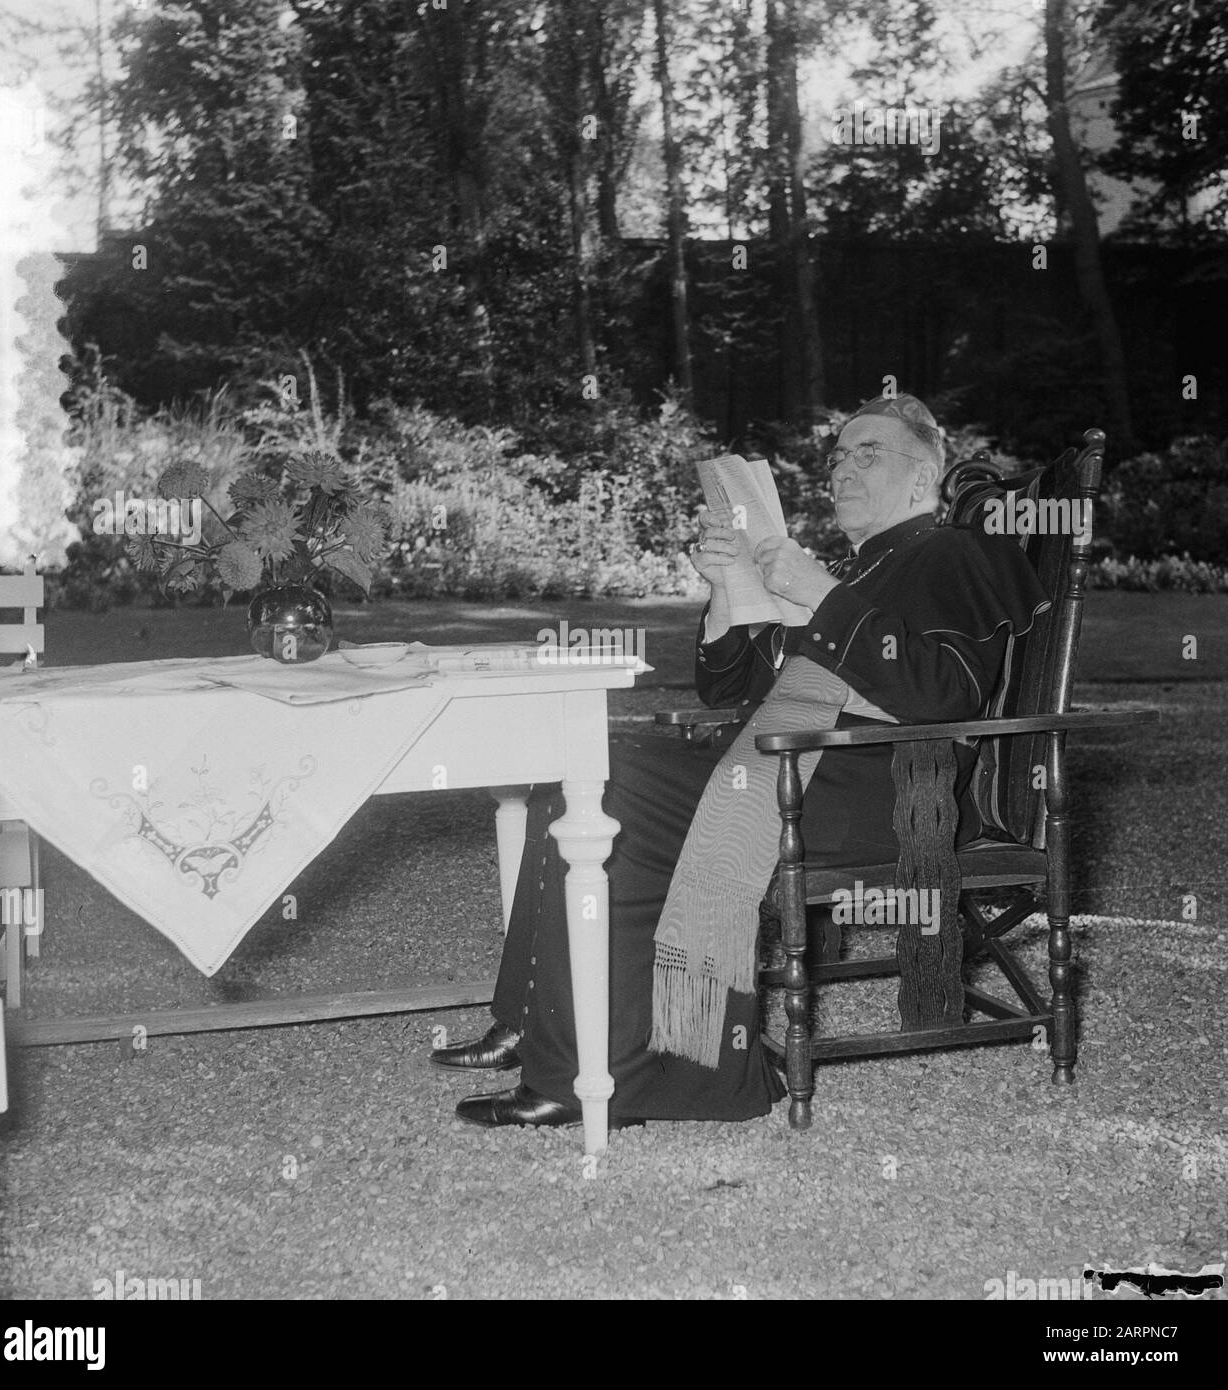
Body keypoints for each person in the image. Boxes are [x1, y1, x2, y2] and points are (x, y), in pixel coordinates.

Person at [431, 393, 1049, 1127]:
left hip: (882, 787)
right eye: (838, 456)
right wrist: (729, 589)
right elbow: (730, 686)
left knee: (610, 780)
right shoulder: (860, 573)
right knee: (578, 763)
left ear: (924, 479)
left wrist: (816, 591)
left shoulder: (954, 554)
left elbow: (943, 691)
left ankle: (595, 1073)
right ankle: (533, 1018)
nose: (843, 469)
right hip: (797, 763)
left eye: (869, 453)